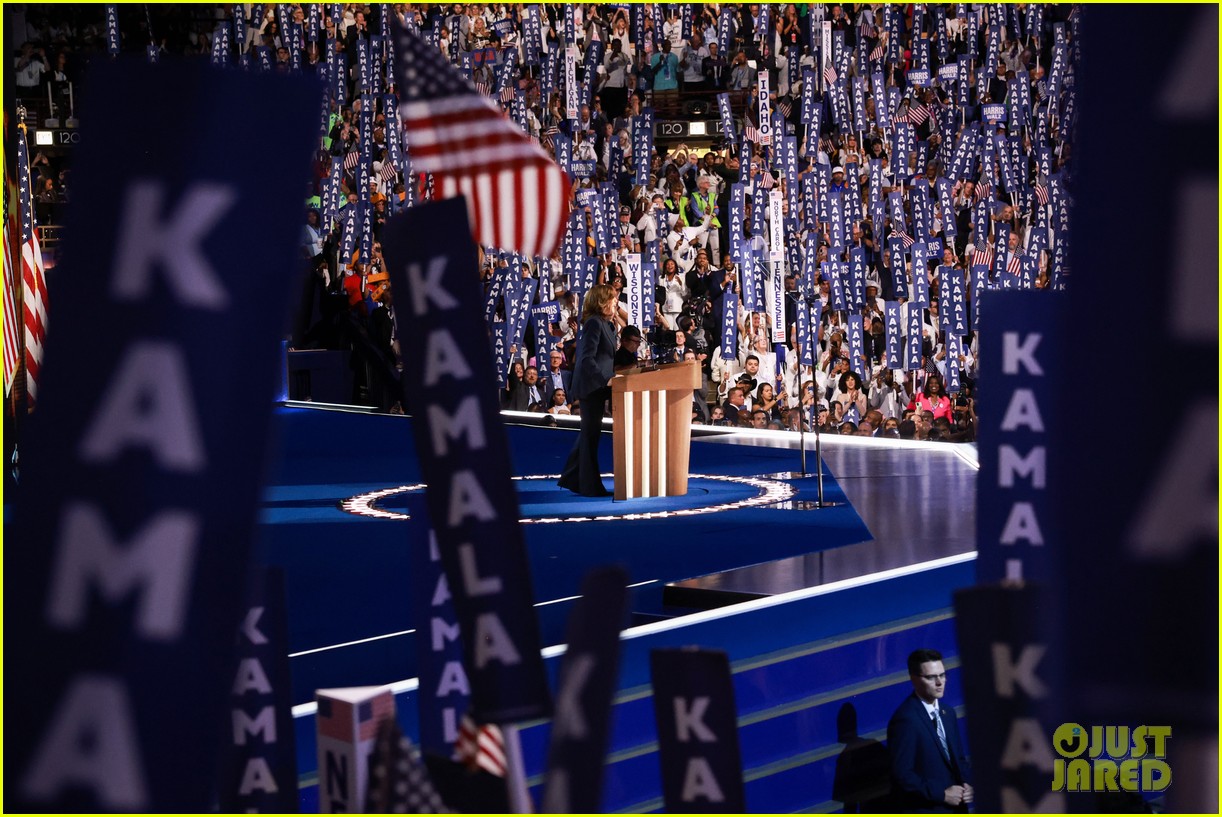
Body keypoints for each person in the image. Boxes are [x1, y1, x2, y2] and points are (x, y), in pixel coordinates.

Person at [887, 649, 974, 813]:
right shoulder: (906, 720)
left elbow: (958, 761)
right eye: (931, 677)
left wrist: (969, 784)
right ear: (913, 679)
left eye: (942, 675)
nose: (940, 682)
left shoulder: (948, 713)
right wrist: (941, 794)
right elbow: (902, 775)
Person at [559, 284, 618, 497]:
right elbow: (586, 359)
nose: (615, 303)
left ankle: (572, 478)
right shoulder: (594, 323)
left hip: (598, 387)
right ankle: (589, 486)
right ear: (602, 302)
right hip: (591, 387)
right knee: (590, 434)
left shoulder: (607, 324)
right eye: (612, 299)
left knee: (589, 433)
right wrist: (605, 379)